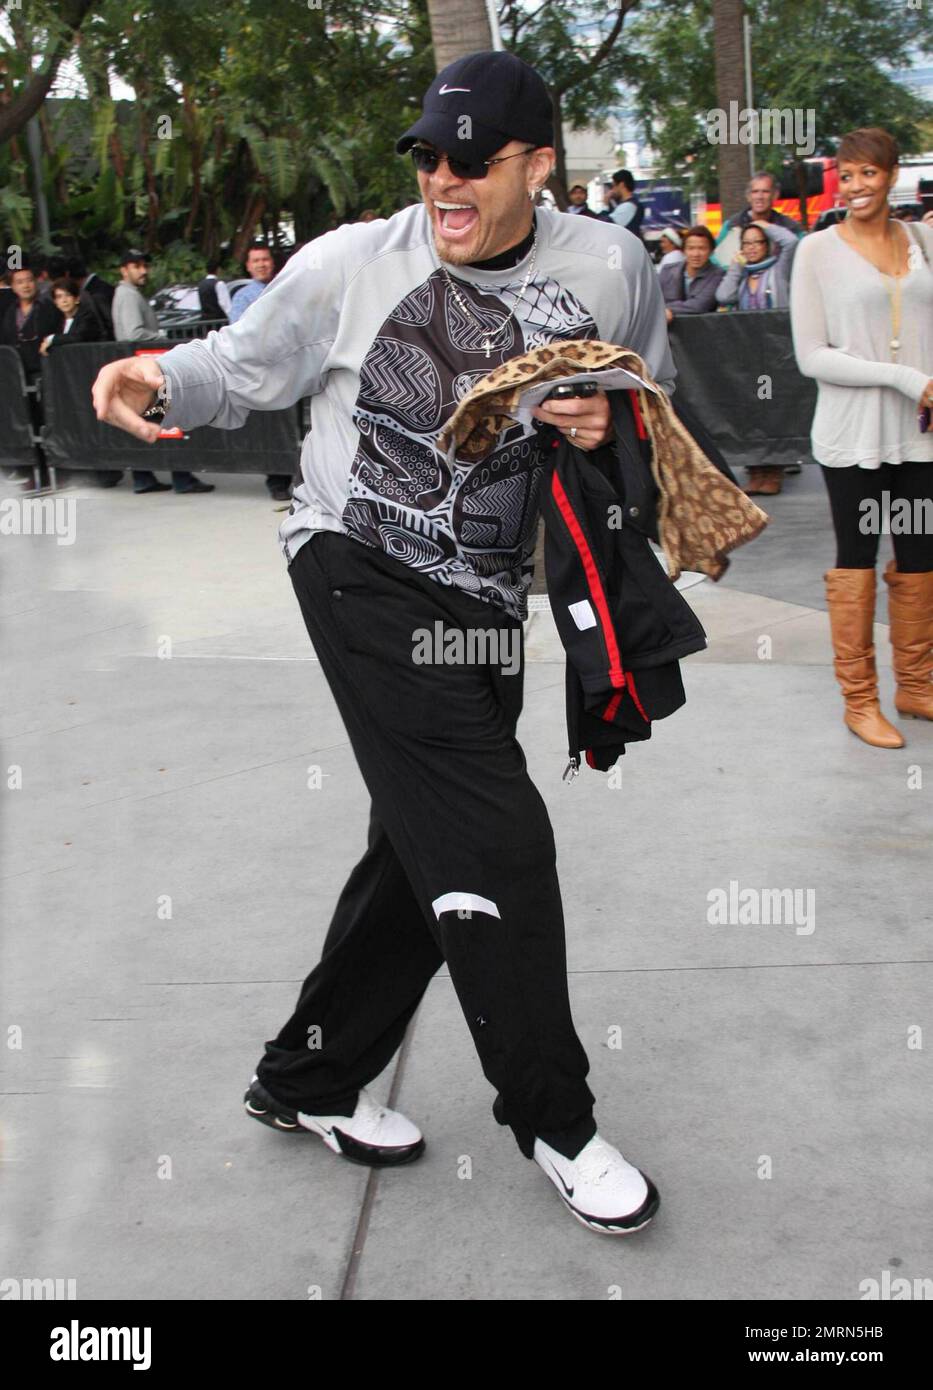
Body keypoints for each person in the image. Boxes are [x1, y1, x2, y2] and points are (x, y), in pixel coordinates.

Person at [92, 48, 677, 1238]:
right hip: (354, 566)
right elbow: (242, 365)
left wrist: (608, 413)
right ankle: (555, 1117)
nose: (442, 181)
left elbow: (652, 414)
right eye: (426, 157)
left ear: (537, 164)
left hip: (487, 596)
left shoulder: (613, 267)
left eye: (471, 159)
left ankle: (307, 1073)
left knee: (421, 850)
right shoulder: (358, 261)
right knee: (495, 833)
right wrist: (153, 372)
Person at [790, 126, 933, 748]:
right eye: (845, 175)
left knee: (923, 557)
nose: (855, 187)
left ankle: (917, 684)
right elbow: (811, 356)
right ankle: (860, 700)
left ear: (892, 175)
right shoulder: (817, 251)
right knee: (857, 558)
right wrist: (906, 378)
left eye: (868, 174)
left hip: (921, 434)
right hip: (852, 436)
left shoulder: (925, 239)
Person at [112, 248, 215, 496]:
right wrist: (161, 337)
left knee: (152, 420)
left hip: (141, 368)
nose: (143, 270)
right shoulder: (127, 296)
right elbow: (133, 334)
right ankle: (179, 477)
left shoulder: (129, 294)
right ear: (124, 269)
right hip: (146, 368)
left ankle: (146, 476)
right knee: (168, 419)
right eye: (136, 266)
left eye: (143, 265)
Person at [716, 219, 800, 496]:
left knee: (774, 409)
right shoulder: (741, 273)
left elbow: (791, 242)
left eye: (757, 242)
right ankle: (756, 470)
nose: (752, 248)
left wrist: (762, 222)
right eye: (747, 243)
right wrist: (737, 267)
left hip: (775, 352)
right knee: (750, 410)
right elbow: (723, 295)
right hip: (747, 355)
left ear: (767, 245)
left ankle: (774, 469)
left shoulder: (779, 269)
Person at [228, 243, 291, 500]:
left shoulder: (285, 286)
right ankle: (277, 482)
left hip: (290, 365)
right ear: (248, 266)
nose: (262, 264)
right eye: (256, 260)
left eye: (265, 259)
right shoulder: (243, 296)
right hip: (262, 369)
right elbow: (238, 330)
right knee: (271, 426)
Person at [713, 170, 804, 269]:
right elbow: (714, 258)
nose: (759, 197)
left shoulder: (790, 227)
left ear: (775, 195)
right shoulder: (732, 225)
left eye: (765, 192)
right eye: (755, 192)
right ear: (748, 196)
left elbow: (802, 259)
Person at [659, 225, 724, 317]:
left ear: (711, 251)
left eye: (702, 248)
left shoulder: (717, 274)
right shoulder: (667, 271)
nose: (696, 254)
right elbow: (653, 300)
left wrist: (665, 309)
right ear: (683, 251)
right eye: (691, 248)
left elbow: (699, 305)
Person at [39, 277, 107, 353]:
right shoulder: (57, 320)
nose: (64, 300)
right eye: (59, 297)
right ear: (55, 302)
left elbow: (78, 337)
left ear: (77, 299)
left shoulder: (87, 316)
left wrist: (51, 339)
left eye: (68, 295)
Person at [606, 168, 645, 240]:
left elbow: (607, 225)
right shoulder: (624, 204)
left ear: (621, 184)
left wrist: (605, 205)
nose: (613, 190)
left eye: (614, 186)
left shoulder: (629, 206)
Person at [196, 258, 231, 324]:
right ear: (218, 269)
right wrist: (231, 318)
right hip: (219, 321)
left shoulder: (201, 284)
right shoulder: (219, 284)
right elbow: (225, 304)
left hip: (205, 321)